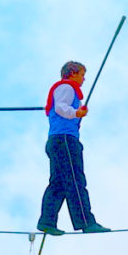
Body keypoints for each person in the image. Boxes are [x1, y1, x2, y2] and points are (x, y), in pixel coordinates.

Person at [37, 61, 110, 235]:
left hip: (57, 140)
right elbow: (61, 107)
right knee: (75, 181)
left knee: (59, 183)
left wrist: (76, 115)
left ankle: (47, 221)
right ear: (72, 73)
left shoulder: (66, 90)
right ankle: (86, 222)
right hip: (65, 141)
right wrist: (76, 113)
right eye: (82, 74)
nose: (84, 79)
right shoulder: (67, 87)